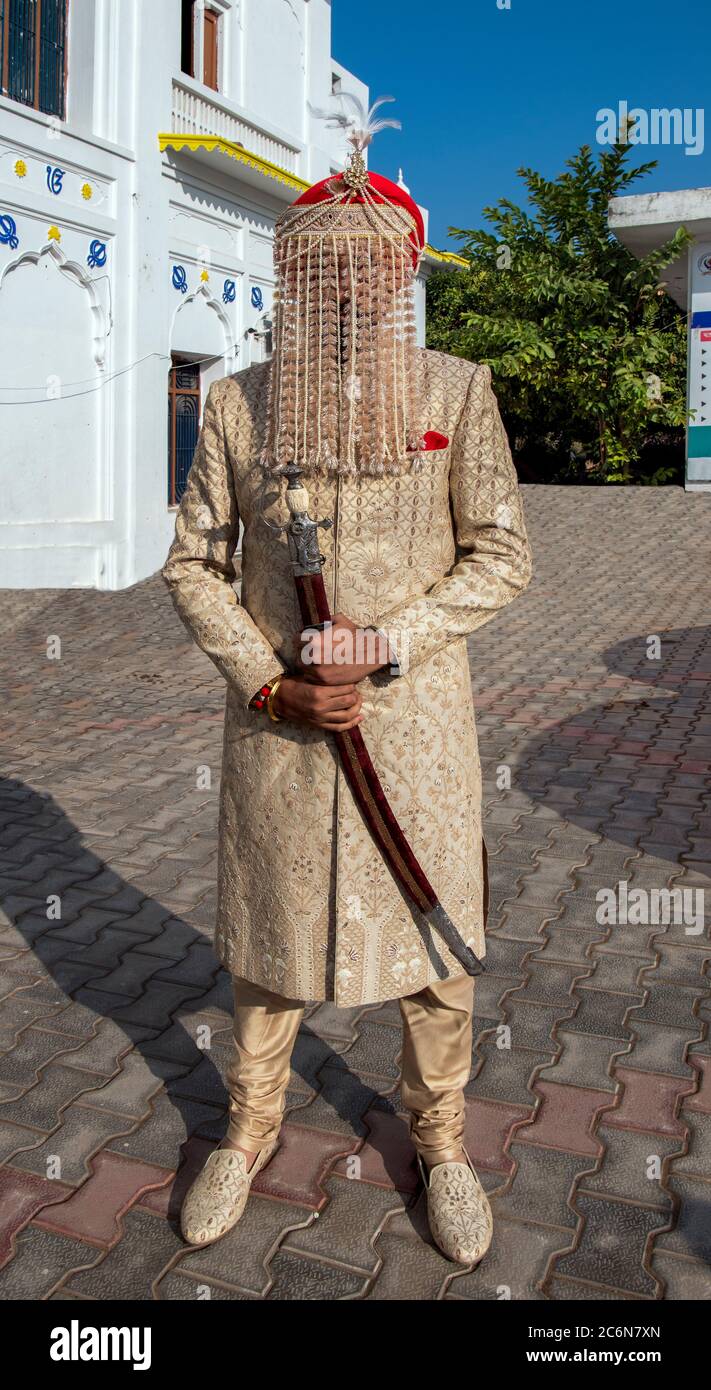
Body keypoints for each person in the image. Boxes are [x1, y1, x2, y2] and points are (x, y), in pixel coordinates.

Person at [162, 102, 532, 1266]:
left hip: (412, 730)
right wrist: (271, 686)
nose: (351, 294)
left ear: (403, 276)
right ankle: (250, 1124)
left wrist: (390, 641)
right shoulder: (240, 402)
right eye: (326, 274)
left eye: (374, 272)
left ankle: (443, 1144)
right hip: (278, 730)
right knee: (268, 949)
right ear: (295, 280)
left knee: (432, 940)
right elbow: (194, 562)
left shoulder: (455, 395)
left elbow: (504, 555)